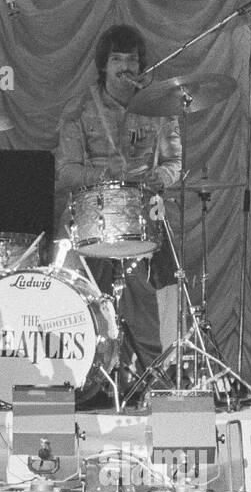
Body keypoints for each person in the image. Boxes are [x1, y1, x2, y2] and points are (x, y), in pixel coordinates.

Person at [56, 24, 183, 370]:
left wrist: (158, 178)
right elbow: (65, 171)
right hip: (93, 209)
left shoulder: (159, 106)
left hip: (145, 203)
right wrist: (103, 176)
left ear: (142, 66)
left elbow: (174, 164)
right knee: (73, 278)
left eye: (131, 59)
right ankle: (82, 363)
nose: (125, 67)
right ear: (103, 65)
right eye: (116, 59)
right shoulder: (80, 108)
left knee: (172, 270)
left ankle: (174, 361)